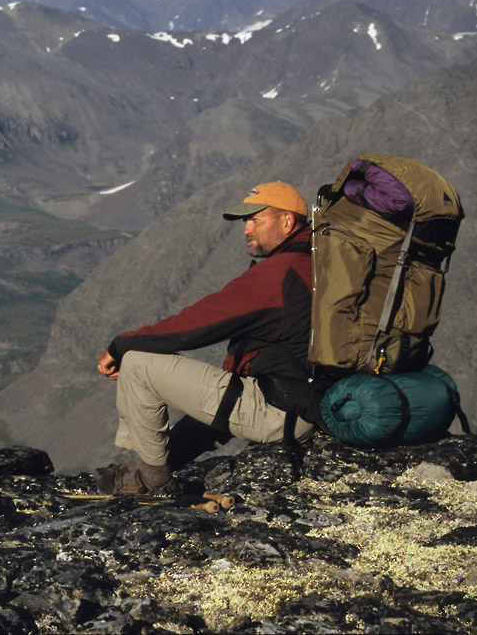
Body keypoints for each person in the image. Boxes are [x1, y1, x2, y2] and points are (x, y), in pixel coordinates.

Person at [95, 181, 325, 495]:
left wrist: (120, 345)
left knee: (138, 363)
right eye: (246, 221)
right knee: (226, 390)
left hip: (282, 414)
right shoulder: (317, 263)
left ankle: (154, 482)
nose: (247, 229)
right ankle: (147, 470)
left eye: (256, 219)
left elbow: (193, 326)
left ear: (287, 222)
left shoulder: (278, 274)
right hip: (307, 405)